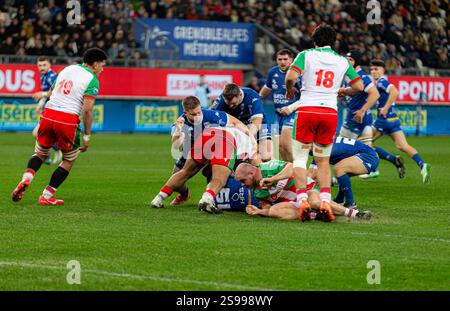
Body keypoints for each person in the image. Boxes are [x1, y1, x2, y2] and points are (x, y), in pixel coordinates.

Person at [283, 24, 364, 222]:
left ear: (314, 40)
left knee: (300, 159)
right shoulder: (342, 61)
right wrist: (343, 90)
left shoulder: (306, 55)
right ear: (333, 42)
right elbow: (359, 86)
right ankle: (326, 201)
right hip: (329, 113)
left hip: (307, 110)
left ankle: (302, 199)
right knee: (323, 161)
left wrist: (288, 90)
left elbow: (291, 76)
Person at [11, 48, 107, 205]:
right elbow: (88, 110)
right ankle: (47, 196)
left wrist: (42, 97)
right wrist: (87, 135)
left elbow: (51, 92)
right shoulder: (92, 80)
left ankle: (26, 178)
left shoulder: (67, 69)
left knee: (40, 153)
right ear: (95, 64)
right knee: (69, 159)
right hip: (67, 119)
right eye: (102, 65)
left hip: (48, 115)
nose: (102, 69)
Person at [151, 126, 261, 213]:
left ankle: (158, 198)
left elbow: (205, 171)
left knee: (185, 172)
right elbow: (260, 170)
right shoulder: (252, 149)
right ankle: (206, 201)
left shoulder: (243, 140)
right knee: (220, 179)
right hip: (225, 140)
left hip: (207, 135)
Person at [169, 96, 252, 206]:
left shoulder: (211, 115)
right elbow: (176, 145)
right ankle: (184, 194)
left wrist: (250, 138)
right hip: (190, 149)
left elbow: (235, 122)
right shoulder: (179, 124)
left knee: (211, 171)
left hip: (212, 147)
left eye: (199, 112)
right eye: (194, 114)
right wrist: (179, 130)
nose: (198, 116)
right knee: (176, 178)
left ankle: (225, 196)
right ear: (186, 113)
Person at [338, 50, 406, 179]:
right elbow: (355, 91)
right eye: (346, 59)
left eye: (351, 59)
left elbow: (375, 94)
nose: (347, 62)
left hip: (357, 118)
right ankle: (392, 160)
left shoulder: (362, 77)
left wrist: (362, 110)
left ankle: (338, 177)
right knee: (367, 148)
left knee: (340, 147)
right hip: (360, 117)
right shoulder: (349, 76)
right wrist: (345, 92)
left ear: (356, 62)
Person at [234, 161, 372, 221]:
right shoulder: (256, 191)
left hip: (307, 189)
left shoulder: (268, 167)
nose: (242, 185)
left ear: (251, 173)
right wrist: (258, 211)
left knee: (316, 203)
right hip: (295, 203)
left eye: (243, 180)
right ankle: (314, 215)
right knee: (274, 211)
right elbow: (268, 209)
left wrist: (274, 178)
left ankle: (355, 214)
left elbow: (292, 168)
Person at [370, 59, 431, 184]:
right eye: (372, 69)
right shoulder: (378, 83)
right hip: (393, 119)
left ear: (383, 71)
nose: (373, 71)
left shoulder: (381, 82)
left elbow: (395, 91)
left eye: (376, 69)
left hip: (383, 120)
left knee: (364, 142)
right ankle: (423, 165)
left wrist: (385, 108)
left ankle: (373, 169)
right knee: (403, 146)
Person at [310, 137, 380, 209]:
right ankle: (339, 200)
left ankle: (351, 204)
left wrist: (309, 193)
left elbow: (318, 176)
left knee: (339, 169)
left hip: (368, 157)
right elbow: (312, 172)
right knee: (342, 172)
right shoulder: (321, 147)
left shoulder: (326, 150)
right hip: (365, 154)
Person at [211, 83, 272, 162]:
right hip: (237, 127)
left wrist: (248, 138)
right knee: (242, 159)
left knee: (266, 156)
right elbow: (211, 118)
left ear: (240, 95)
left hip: (257, 125)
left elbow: (257, 122)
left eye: (234, 104)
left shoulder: (252, 96)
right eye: (228, 104)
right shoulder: (220, 100)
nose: (231, 107)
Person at [260, 49, 301, 162]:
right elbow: (267, 88)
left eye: (285, 59)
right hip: (278, 114)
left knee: (287, 145)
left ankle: (299, 170)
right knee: (280, 147)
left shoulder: (297, 74)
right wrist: (257, 98)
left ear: (291, 60)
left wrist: (290, 108)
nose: (282, 62)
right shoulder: (273, 72)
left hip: (293, 114)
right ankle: (289, 173)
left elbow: (306, 97)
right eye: (280, 59)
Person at [32, 56, 61, 165]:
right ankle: (48, 156)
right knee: (41, 133)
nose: (42, 67)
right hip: (49, 108)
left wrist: (42, 94)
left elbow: (56, 91)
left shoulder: (52, 76)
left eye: (44, 65)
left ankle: (55, 150)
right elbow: (46, 94)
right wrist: (39, 106)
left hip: (56, 108)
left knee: (37, 133)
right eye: (40, 65)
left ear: (49, 65)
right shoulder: (43, 77)